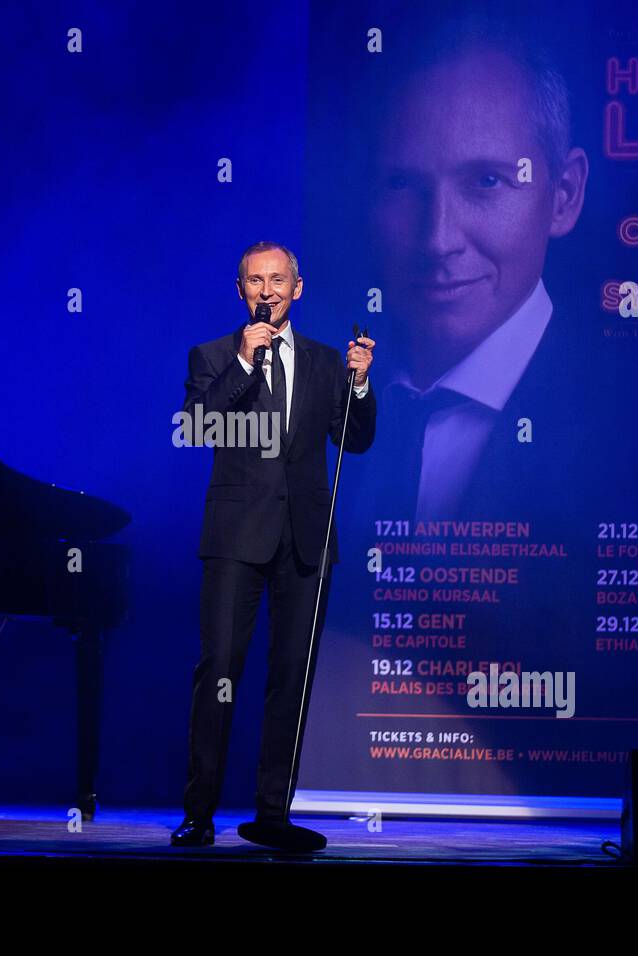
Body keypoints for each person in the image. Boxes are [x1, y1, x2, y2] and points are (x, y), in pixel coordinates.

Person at [172, 242, 376, 848]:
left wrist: (360, 385)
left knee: (292, 676)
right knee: (219, 673)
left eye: (278, 279)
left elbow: (354, 440)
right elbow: (196, 427)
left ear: (298, 288)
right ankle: (199, 812)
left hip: (306, 542)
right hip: (236, 538)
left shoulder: (321, 360)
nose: (267, 290)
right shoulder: (212, 355)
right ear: (240, 290)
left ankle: (272, 814)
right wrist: (241, 361)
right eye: (255, 281)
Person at [368, 26, 589, 522]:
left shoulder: (629, 420)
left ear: (564, 195)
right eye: (402, 184)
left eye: (487, 181)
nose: (437, 240)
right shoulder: (317, 401)